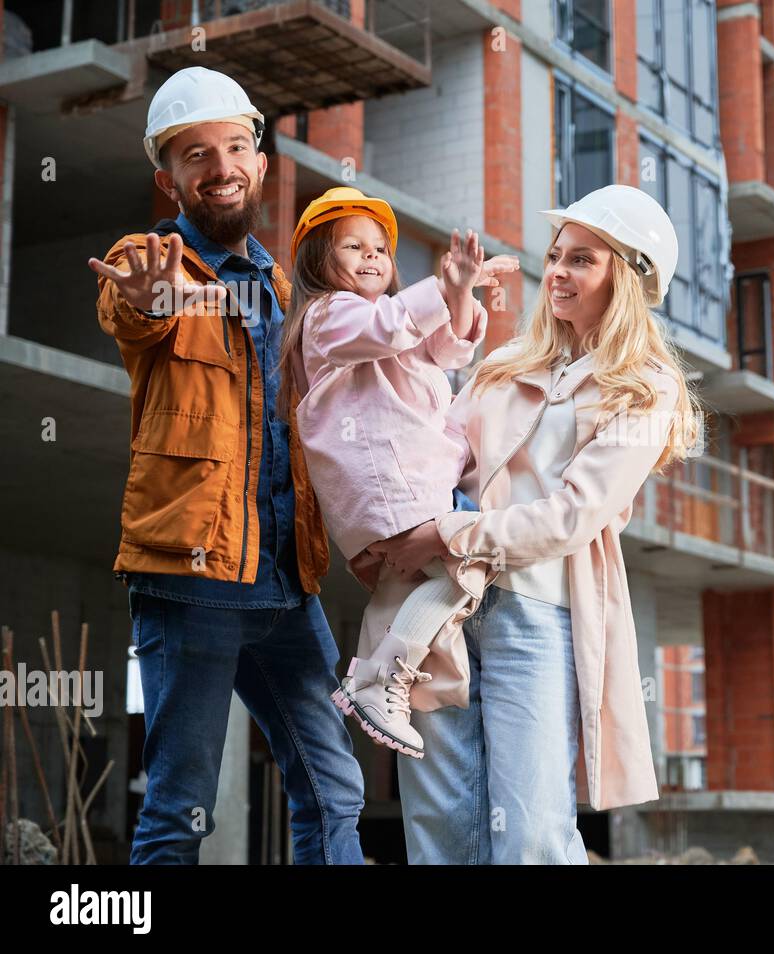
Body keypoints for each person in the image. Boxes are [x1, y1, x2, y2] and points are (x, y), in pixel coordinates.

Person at [365, 185, 703, 863]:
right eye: (554, 255)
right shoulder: (503, 364)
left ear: (628, 278)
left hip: (537, 613)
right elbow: (436, 456)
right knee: (439, 829)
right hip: (437, 607)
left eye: (581, 259)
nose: (556, 271)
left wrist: (446, 535)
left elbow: (572, 516)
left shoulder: (646, 388)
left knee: (530, 834)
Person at [87, 66, 365, 864]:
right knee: (180, 808)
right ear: (168, 178)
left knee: (335, 790)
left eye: (236, 146)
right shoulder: (150, 260)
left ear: (262, 162)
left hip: (287, 584)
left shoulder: (282, 290)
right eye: (195, 153)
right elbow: (134, 310)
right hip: (191, 579)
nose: (221, 166)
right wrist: (143, 298)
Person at [279, 186, 518, 758]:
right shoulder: (328, 317)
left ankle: (371, 673)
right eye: (353, 246)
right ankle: (383, 676)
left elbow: (452, 347)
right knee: (467, 560)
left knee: (401, 587)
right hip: (390, 481)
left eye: (381, 248)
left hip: (406, 483)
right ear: (317, 259)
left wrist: (459, 292)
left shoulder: (391, 324)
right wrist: (444, 287)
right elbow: (391, 325)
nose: (372, 256)